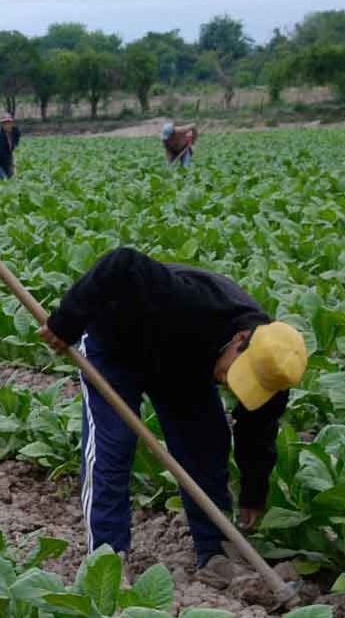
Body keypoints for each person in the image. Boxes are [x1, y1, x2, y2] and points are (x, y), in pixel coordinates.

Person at [38, 247, 308, 587]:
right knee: (113, 446)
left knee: (206, 447)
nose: (231, 382)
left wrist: (254, 493)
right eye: (237, 372)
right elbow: (121, 262)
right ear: (239, 340)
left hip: (185, 365)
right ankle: (107, 560)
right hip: (118, 346)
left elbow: (258, 430)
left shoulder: (274, 369)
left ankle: (215, 553)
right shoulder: (188, 300)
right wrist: (67, 322)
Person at [0, 114, 21, 180]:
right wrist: (11, 165)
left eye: (9, 123)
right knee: (2, 180)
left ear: (12, 124)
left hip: (8, 160)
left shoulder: (13, 132)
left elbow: (17, 138)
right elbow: (2, 153)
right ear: (2, 125)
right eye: (5, 124)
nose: (7, 125)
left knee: (11, 179)